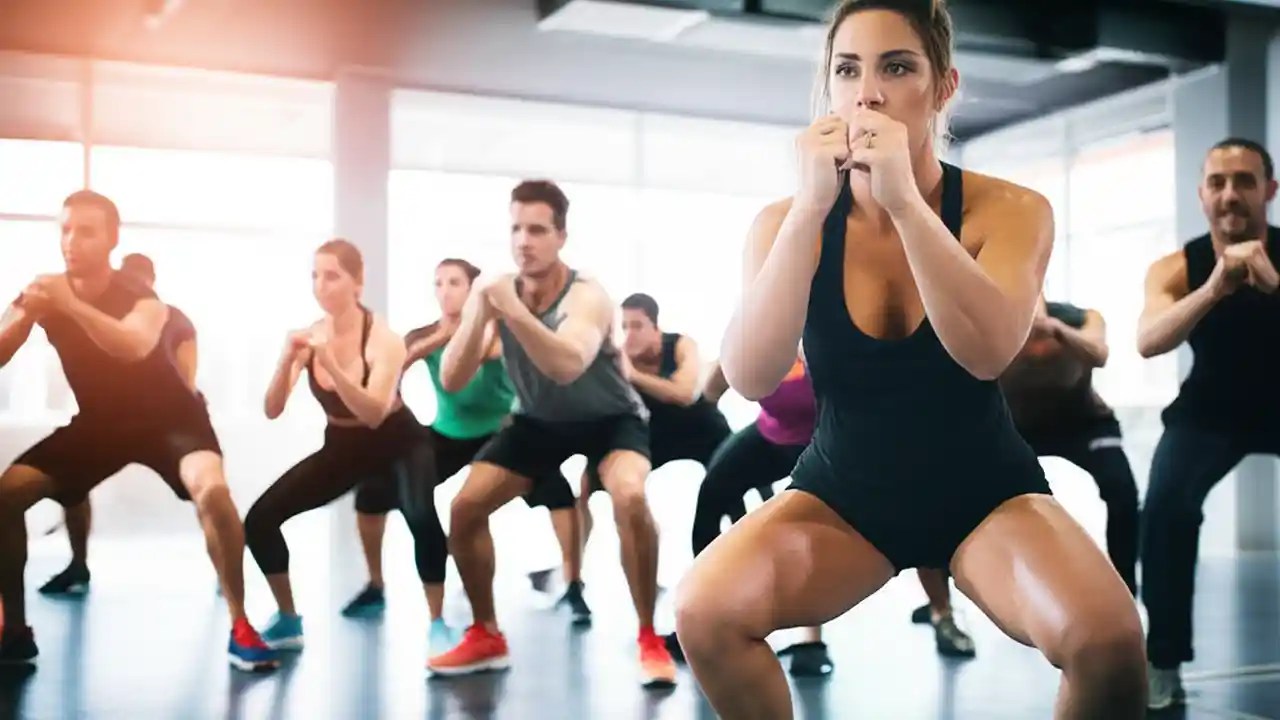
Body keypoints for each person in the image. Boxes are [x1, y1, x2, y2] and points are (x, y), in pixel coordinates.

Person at [673, 2, 1147, 718]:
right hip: (841, 494)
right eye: (847, 70)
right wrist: (808, 212)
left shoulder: (1010, 210)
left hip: (985, 495)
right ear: (828, 91)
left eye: (897, 67)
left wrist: (902, 201)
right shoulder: (782, 220)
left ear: (942, 87)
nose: (868, 92)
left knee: (1109, 641)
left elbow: (986, 352)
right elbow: (750, 375)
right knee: (705, 610)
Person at [0, 190, 277, 671]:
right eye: (65, 229)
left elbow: (131, 345)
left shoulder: (143, 298)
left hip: (172, 419)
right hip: (101, 424)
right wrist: (26, 312)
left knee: (212, 491)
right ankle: (16, 632)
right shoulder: (44, 293)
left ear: (111, 238)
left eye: (85, 231)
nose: (71, 241)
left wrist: (70, 305)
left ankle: (241, 625)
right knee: (6, 495)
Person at [426, 180, 677, 687]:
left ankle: (649, 634)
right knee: (465, 508)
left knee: (628, 496)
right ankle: (486, 635)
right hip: (538, 420)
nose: (524, 241)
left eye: (537, 229)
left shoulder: (588, 294)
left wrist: (511, 311)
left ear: (561, 236)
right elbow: (452, 377)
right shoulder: (496, 291)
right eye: (516, 228)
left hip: (609, 418)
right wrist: (480, 311)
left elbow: (566, 364)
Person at [341, 257, 588, 634]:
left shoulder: (501, 331)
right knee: (372, 492)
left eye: (454, 283)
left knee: (558, 495)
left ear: (473, 291)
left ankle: (573, 586)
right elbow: (391, 377)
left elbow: (542, 373)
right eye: (438, 283)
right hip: (448, 434)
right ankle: (375, 585)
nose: (444, 291)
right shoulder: (422, 335)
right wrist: (439, 340)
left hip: (500, 432)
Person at [244, 239, 446, 655]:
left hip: (399, 441)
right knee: (260, 519)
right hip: (342, 445)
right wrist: (286, 360)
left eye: (332, 275)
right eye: (315, 276)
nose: (321, 285)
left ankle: (438, 622)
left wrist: (331, 362)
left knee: (420, 515)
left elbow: (374, 413)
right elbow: (272, 409)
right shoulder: (310, 337)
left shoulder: (384, 340)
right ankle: (287, 620)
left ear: (358, 281)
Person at [1135, 137, 1279, 711]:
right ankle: (1163, 661)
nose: (1230, 195)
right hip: (1211, 408)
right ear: (1202, 195)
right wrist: (1216, 287)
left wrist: (1274, 286)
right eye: (1217, 183)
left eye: (1245, 181)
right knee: (1166, 507)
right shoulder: (1178, 267)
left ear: (1269, 191)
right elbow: (1148, 340)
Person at [909, 297, 1137, 651]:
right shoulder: (992, 323)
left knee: (1122, 492)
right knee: (933, 498)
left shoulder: (1080, 319)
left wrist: (1057, 331)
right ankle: (943, 612)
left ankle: (1127, 601)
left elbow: (1099, 353)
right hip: (1012, 425)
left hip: (1082, 423)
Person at [38, 252, 202, 597]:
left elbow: (187, 379)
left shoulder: (173, 318)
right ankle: (78, 565)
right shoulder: (102, 318)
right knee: (71, 486)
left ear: (152, 284)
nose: (133, 286)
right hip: (110, 423)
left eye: (140, 280)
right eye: (127, 279)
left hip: (163, 424)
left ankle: (224, 564)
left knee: (204, 491)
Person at [573, 293, 743, 572]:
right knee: (586, 485)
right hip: (652, 435)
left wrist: (634, 376)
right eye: (624, 327)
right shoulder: (617, 356)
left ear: (656, 327)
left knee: (735, 482)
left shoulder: (680, 345)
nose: (630, 335)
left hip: (700, 428)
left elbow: (685, 393)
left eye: (637, 326)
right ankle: (574, 573)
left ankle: (746, 555)